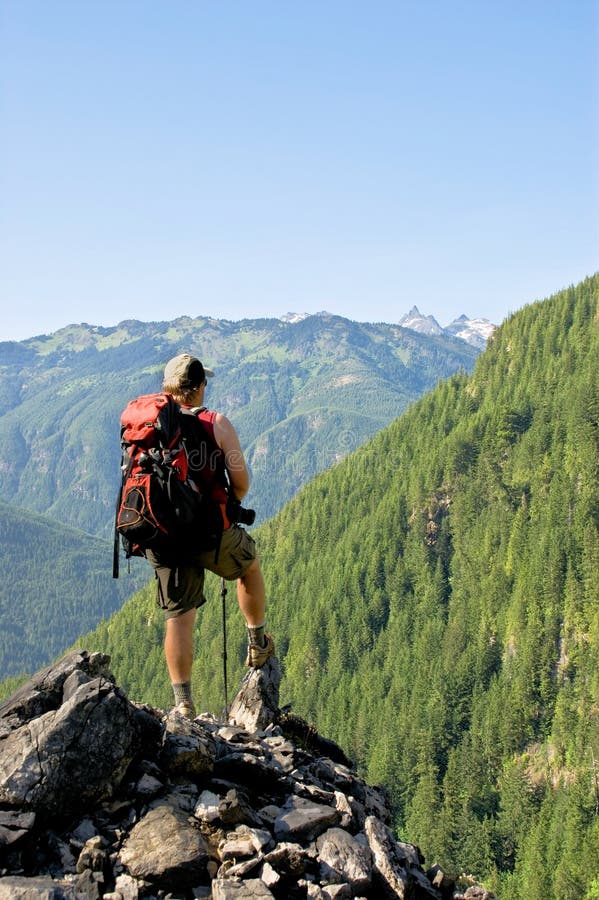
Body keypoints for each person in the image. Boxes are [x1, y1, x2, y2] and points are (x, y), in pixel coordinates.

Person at [146, 352, 274, 718]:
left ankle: (183, 703)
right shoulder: (216, 423)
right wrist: (225, 504)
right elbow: (242, 483)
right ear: (199, 387)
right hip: (209, 534)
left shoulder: (150, 426)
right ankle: (257, 643)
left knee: (180, 616)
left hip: (163, 538)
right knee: (248, 565)